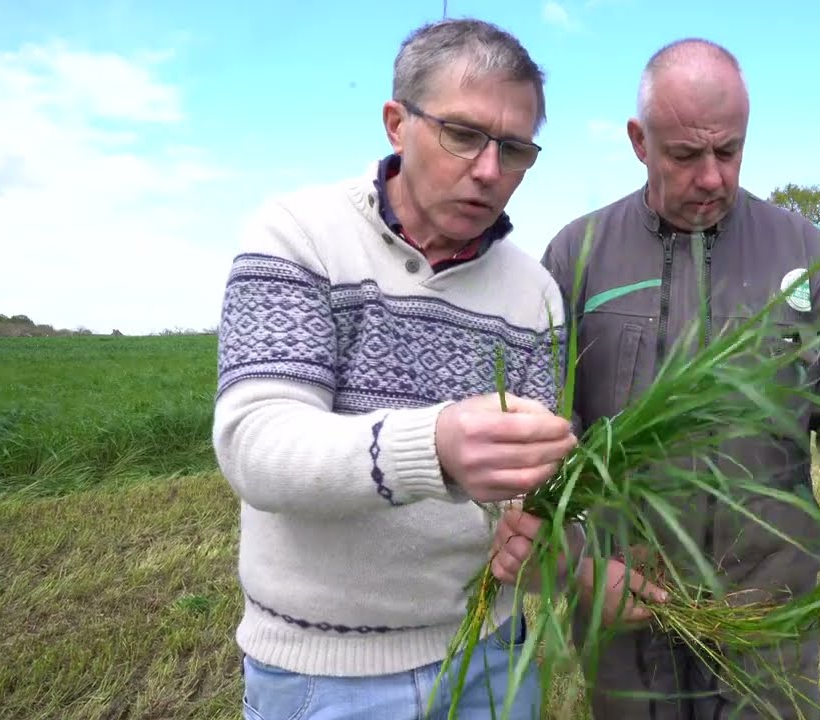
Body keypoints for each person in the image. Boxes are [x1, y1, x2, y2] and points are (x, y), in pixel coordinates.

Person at [488, 38, 820, 719]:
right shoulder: (578, 255)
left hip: (766, 610)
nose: (711, 177)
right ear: (639, 142)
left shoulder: (809, 257)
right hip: (626, 609)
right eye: (684, 155)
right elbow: (544, 428)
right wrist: (581, 560)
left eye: (728, 152)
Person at [211, 18, 577, 720]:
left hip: (490, 652)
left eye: (514, 149)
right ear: (396, 123)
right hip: (324, 676)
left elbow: (536, 481)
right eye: (463, 134)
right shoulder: (299, 234)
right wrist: (434, 447)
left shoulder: (534, 293)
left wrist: (541, 532)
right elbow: (256, 445)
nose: (490, 170)